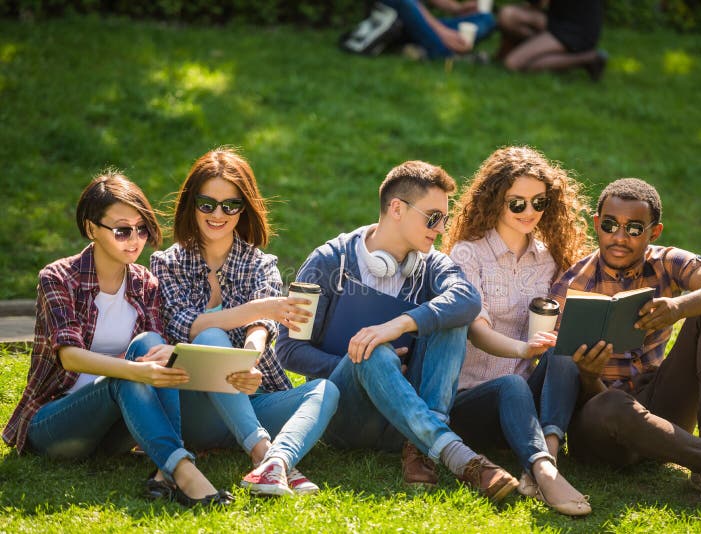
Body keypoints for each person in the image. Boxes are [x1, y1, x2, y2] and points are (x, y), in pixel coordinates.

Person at [276, 160, 519, 502]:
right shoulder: (329, 261)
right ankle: (457, 456)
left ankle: (421, 448)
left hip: (405, 421)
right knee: (374, 350)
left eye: (444, 219)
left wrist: (399, 325)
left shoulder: (432, 263)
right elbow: (287, 349)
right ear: (396, 208)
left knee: (450, 315)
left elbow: (467, 299)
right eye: (433, 217)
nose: (440, 228)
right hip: (347, 418)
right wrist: (368, 365)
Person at [549, 177, 701, 501]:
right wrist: (589, 375)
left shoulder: (665, 262)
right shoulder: (572, 286)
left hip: (659, 402)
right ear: (597, 224)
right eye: (610, 225)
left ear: (654, 232)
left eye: (634, 228)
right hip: (602, 427)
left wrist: (680, 306)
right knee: (612, 402)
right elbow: (559, 385)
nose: (620, 237)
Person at [1, 172, 232, 507]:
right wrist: (134, 372)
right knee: (123, 376)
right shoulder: (58, 278)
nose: (135, 240)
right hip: (54, 426)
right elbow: (70, 357)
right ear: (92, 228)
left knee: (151, 345)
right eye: (122, 230)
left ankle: (164, 466)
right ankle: (183, 474)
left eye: (142, 229)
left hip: (113, 433)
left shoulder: (145, 283)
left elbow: (152, 359)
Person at [151, 148, 339, 497]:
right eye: (207, 204)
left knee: (325, 389)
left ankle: (276, 463)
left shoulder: (260, 263)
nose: (217, 214)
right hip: (195, 410)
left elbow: (260, 331)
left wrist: (249, 365)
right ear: (192, 205)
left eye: (230, 205)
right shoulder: (166, 263)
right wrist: (260, 307)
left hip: (251, 396)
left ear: (244, 208)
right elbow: (187, 326)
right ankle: (262, 454)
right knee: (209, 333)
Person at [443, 146, 592, 516]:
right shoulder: (467, 255)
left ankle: (546, 456)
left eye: (539, 203)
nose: (530, 213)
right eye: (518, 203)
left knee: (565, 350)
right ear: (495, 201)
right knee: (510, 384)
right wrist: (522, 350)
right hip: (474, 399)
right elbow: (475, 331)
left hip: (529, 392)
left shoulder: (549, 258)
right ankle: (542, 469)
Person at [496, 0, 607, 80]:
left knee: (512, 64)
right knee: (508, 15)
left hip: (576, 30)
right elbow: (537, 5)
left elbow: (539, 3)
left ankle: (588, 59)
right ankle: (506, 54)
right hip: (557, 20)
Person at [382, 0, 495, 59]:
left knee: (486, 19)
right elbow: (411, 5)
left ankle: (418, 49)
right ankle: (446, 55)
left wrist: (458, 9)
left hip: (425, 26)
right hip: (395, 27)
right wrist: (442, 32)